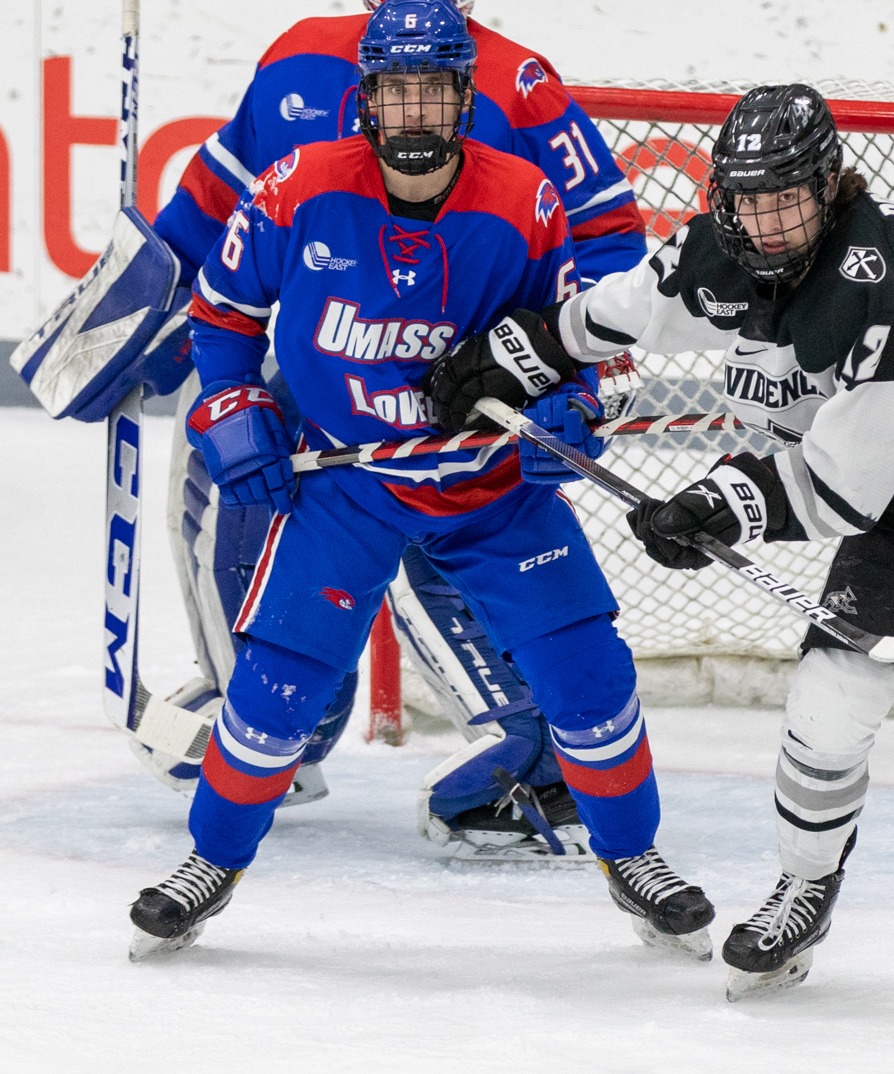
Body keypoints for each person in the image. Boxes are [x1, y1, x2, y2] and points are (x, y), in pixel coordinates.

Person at [427, 84, 894, 1026]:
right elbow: (624, 312)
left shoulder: (884, 272)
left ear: (831, 187)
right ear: (722, 197)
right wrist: (527, 349)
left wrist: (716, 502)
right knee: (831, 697)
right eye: (750, 199)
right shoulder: (716, 252)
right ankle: (802, 890)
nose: (769, 220)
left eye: (789, 197)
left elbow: (839, 488)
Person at [127, 0, 710, 963]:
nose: (412, 115)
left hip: (491, 493)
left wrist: (574, 410)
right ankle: (210, 865)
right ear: (366, 100)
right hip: (346, 490)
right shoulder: (295, 187)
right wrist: (231, 408)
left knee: (590, 676)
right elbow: (224, 313)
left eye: (431, 94)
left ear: (463, 98)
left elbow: (581, 339)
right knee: (276, 686)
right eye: (393, 94)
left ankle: (633, 859)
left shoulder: (523, 200)